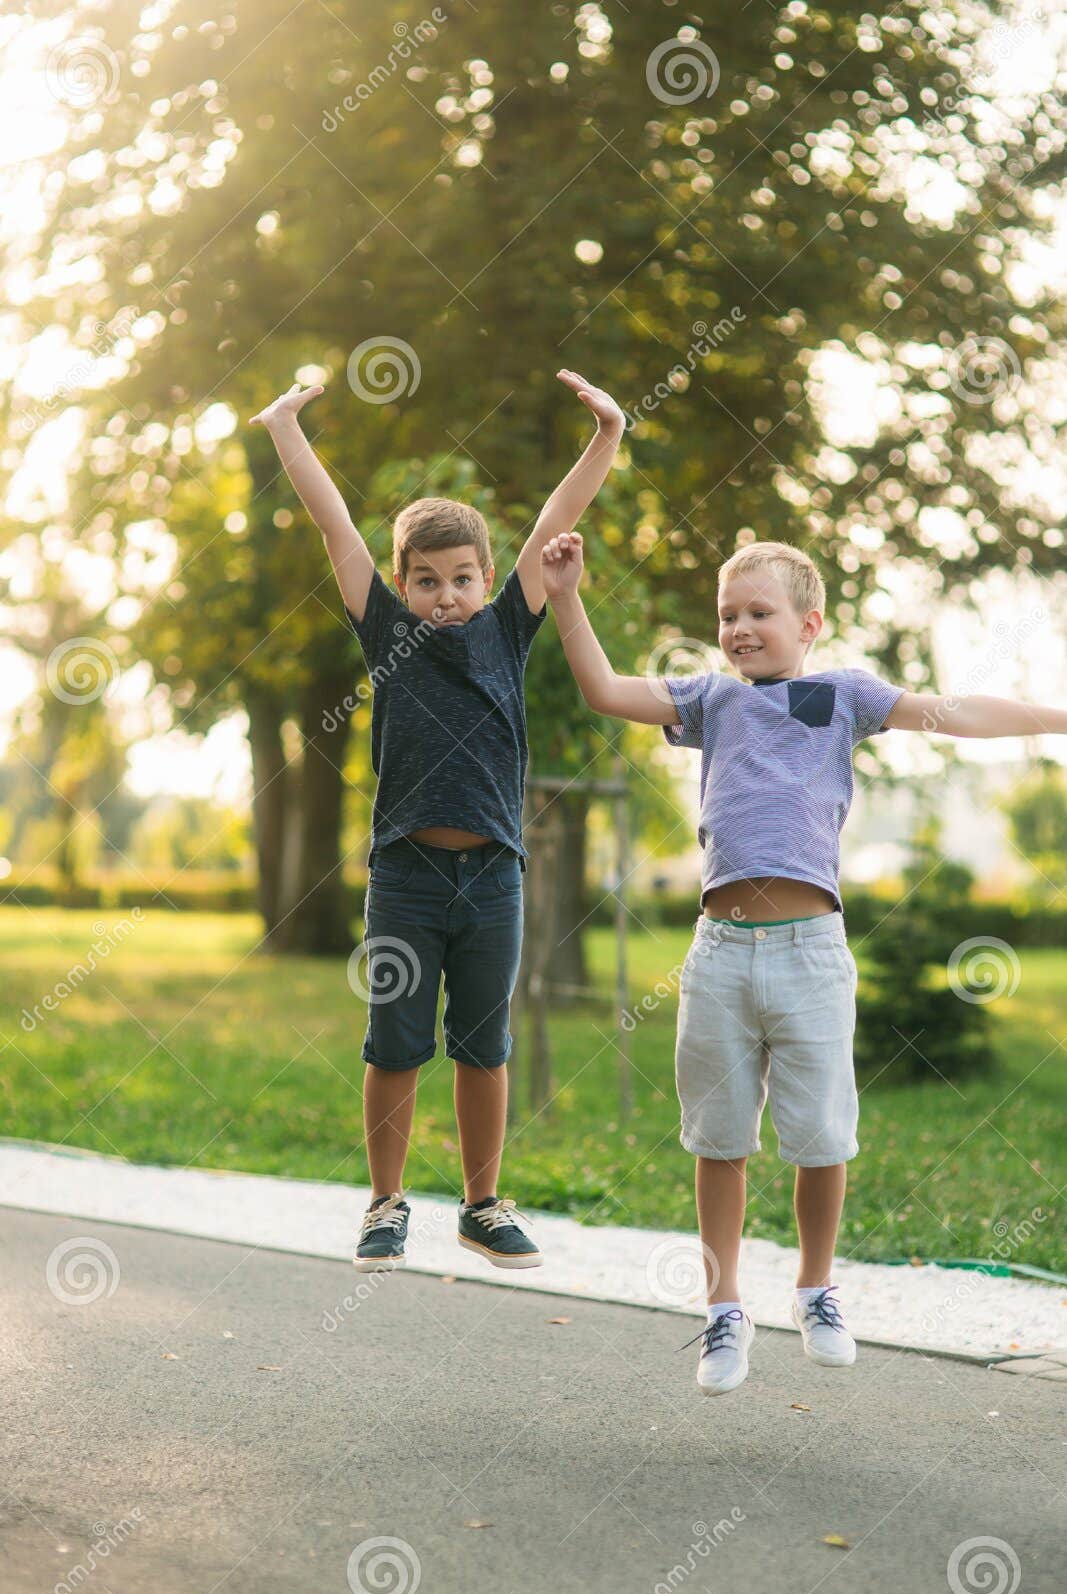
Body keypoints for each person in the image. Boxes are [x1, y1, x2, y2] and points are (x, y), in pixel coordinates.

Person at [542, 530, 1066, 1394]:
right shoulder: (710, 699)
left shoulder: (845, 695)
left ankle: (815, 1289)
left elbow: (958, 712)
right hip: (718, 956)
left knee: (822, 1138)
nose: (739, 629)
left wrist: (1054, 718)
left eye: (759, 613)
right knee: (719, 1141)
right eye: (727, 616)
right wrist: (565, 595)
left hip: (810, 955)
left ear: (809, 623)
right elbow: (603, 690)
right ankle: (722, 1309)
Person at [251, 370, 625, 1272]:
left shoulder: (507, 628)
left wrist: (607, 435)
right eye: (426, 581)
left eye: (461, 579)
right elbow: (335, 525)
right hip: (406, 878)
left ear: (490, 579)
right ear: (401, 584)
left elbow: (556, 518)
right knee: (393, 1045)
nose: (445, 595)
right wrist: (285, 427)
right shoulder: (387, 631)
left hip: (493, 878)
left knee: (483, 1049)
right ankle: (385, 1205)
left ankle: (481, 1205)